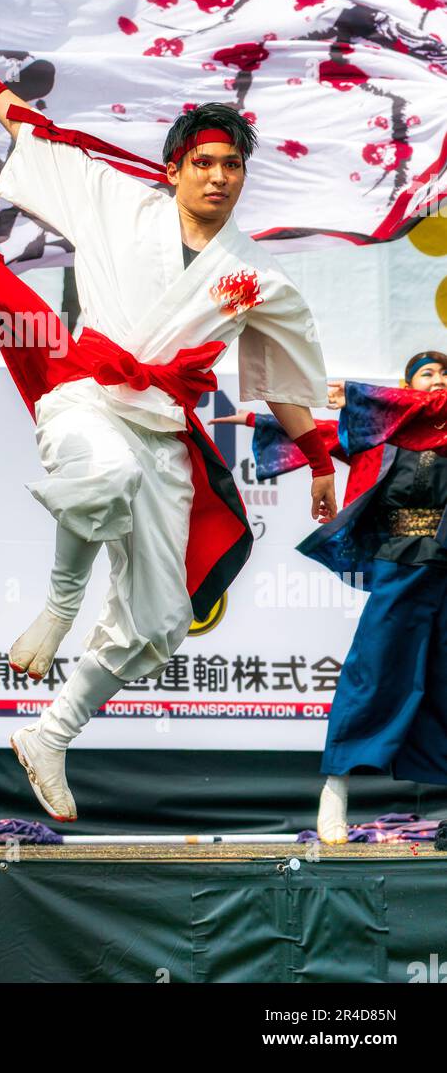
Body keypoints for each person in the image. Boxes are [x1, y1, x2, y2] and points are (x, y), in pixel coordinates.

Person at [0, 27, 335, 822]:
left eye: (232, 166)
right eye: (204, 163)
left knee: (159, 619)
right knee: (101, 473)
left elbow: (286, 377)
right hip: (85, 396)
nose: (218, 177)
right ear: (174, 169)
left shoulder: (260, 276)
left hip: (163, 431)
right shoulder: (118, 201)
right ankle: (59, 602)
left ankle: (51, 733)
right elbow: (32, 131)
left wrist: (319, 460)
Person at [217, 351, 447, 843]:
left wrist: (368, 395)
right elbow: (325, 435)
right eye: (427, 373)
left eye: (444, 374)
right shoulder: (380, 434)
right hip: (400, 561)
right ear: (404, 388)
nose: (438, 380)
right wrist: (260, 419)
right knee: (375, 670)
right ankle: (335, 790)